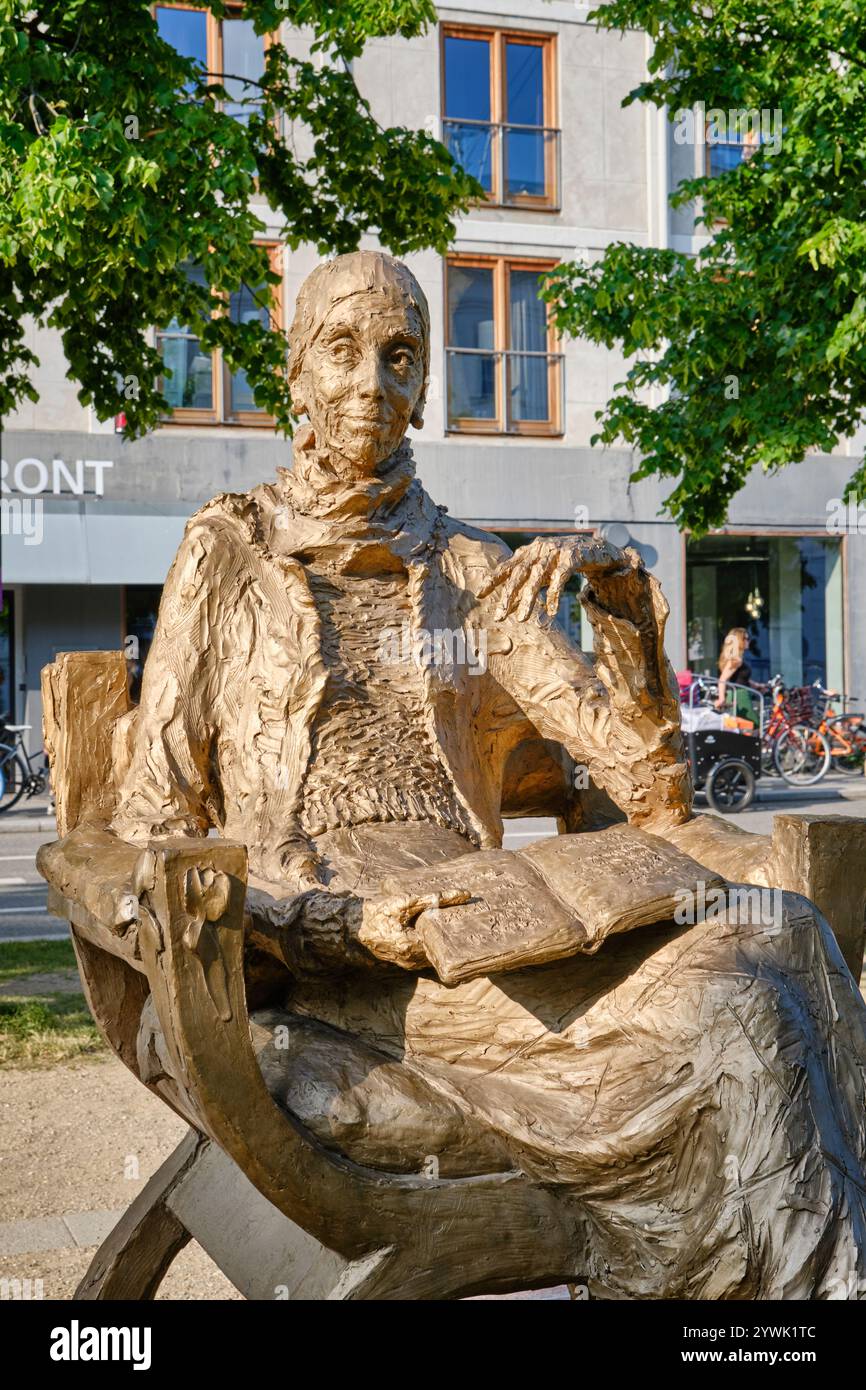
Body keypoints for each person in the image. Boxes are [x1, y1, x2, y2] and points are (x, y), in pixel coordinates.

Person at [108, 251, 866, 1299]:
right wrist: (333, 925)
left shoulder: (470, 566)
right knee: (734, 1012)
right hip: (346, 960)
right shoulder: (229, 549)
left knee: (793, 935)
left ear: (424, 384)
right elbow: (151, 824)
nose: (371, 382)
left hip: (492, 926)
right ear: (295, 377)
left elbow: (647, 787)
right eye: (342, 350)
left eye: (400, 356)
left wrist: (612, 590)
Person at [714, 626, 752, 710]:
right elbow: (722, 680)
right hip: (739, 697)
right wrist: (721, 699)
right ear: (739, 641)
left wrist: (758, 685)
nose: (748, 641)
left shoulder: (737, 659)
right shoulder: (736, 660)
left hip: (741, 695)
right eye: (745, 638)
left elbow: (740, 678)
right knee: (754, 722)